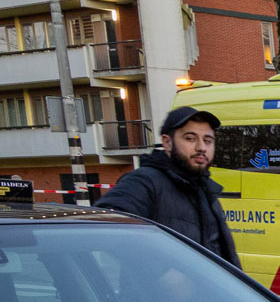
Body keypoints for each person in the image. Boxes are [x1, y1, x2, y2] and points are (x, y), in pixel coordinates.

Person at [98, 107, 240, 268]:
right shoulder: (145, 181)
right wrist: (162, 274)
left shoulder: (203, 188)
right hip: (154, 293)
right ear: (167, 142)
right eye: (190, 138)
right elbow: (104, 229)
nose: (201, 147)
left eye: (208, 141)